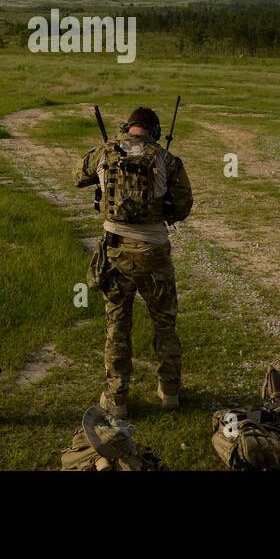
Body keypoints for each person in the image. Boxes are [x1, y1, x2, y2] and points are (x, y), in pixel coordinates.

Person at [75, 107, 193, 417]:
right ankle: (169, 392)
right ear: (154, 130)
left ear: (129, 127)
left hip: (115, 253)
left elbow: (78, 176)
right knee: (165, 323)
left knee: (117, 326)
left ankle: (117, 398)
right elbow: (182, 207)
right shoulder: (167, 159)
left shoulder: (105, 152)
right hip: (154, 252)